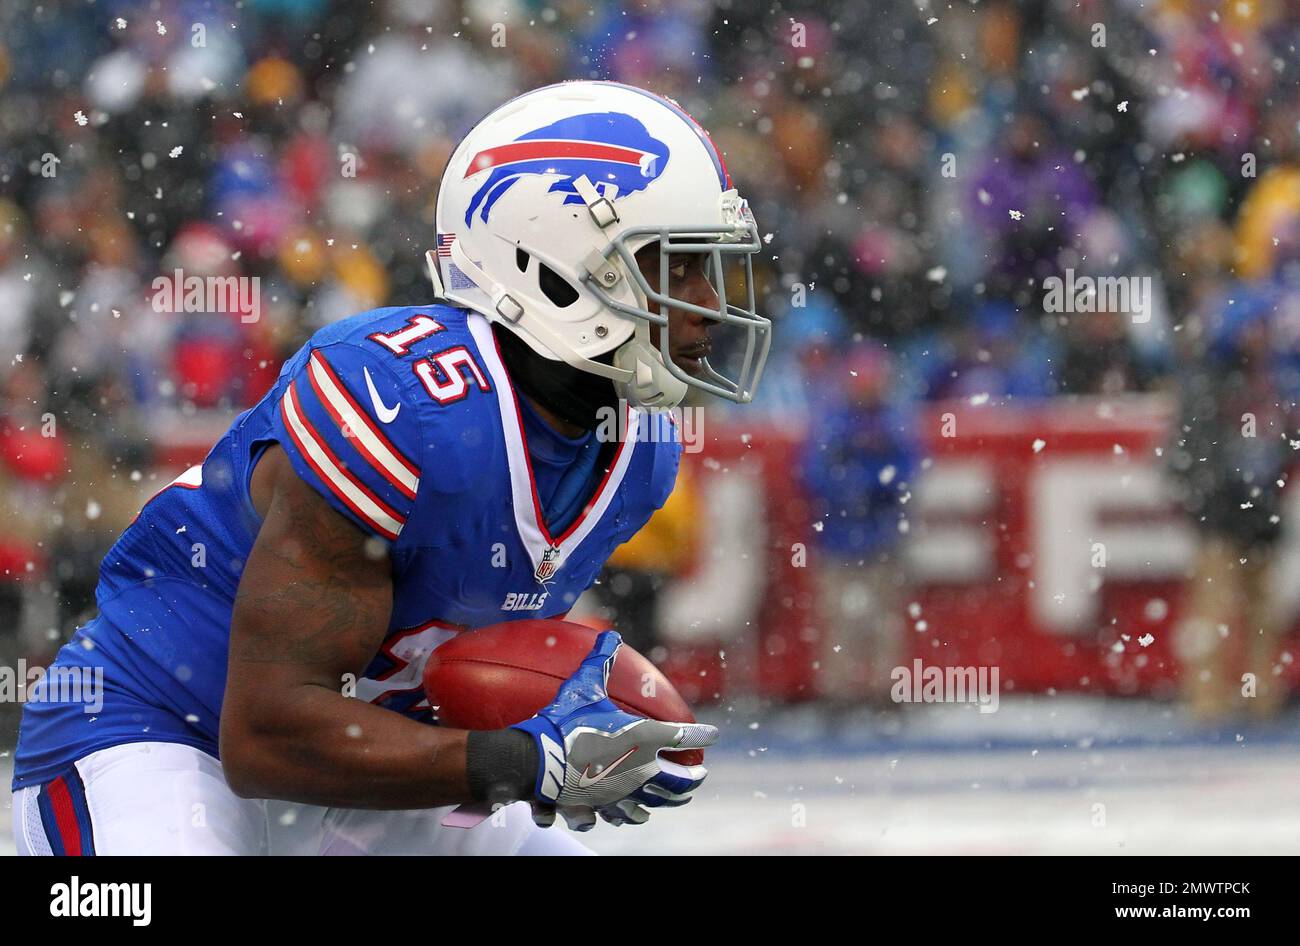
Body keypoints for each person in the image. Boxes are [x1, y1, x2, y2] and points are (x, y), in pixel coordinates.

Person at [10, 81, 772, 855]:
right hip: (164, 731)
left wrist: (571, 718)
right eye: (672, 267)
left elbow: (462, 653)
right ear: (552, 267)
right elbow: (266, 731)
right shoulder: (399, 402)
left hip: (370, 759)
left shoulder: (638, 449)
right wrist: (524, 760)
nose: (708, 303)